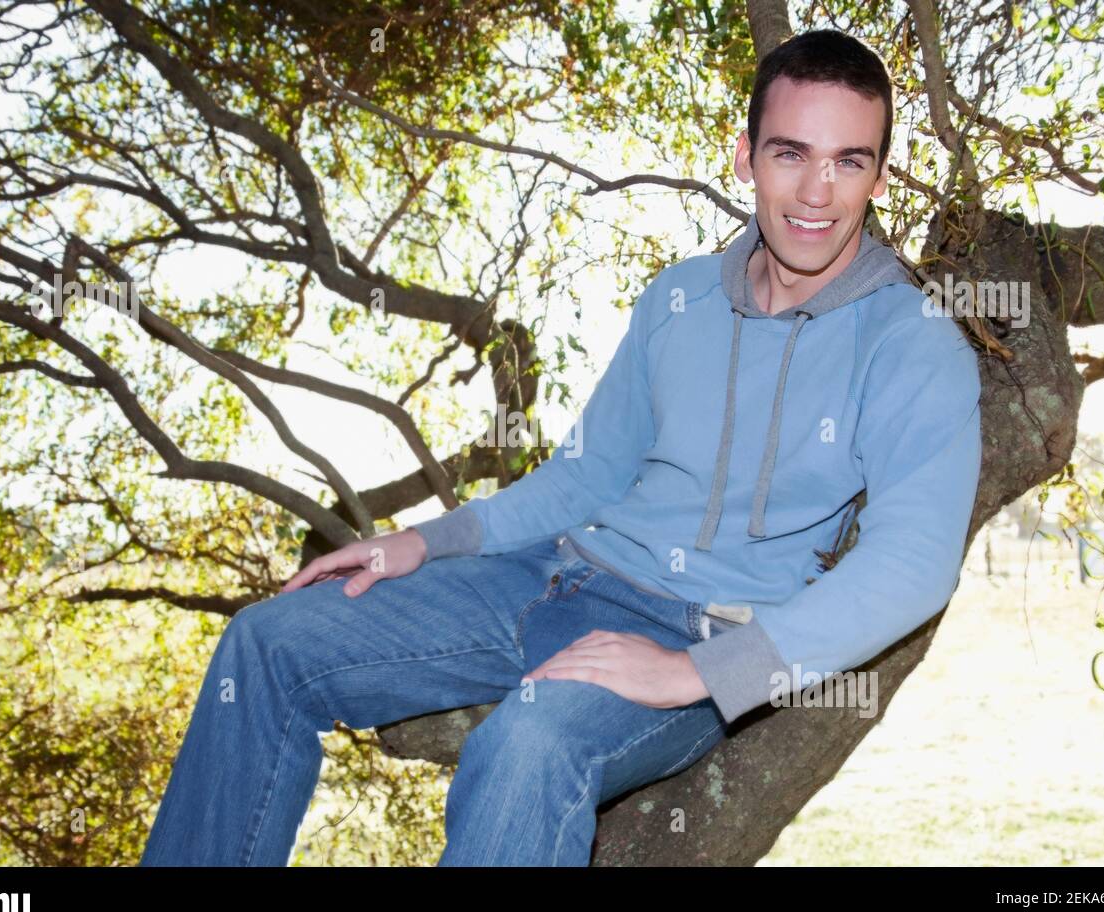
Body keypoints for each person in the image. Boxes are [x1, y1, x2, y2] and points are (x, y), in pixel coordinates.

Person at [139, 28, 982, 867]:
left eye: (849, 161)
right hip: (546, 573)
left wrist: (703, 674)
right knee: (267, 643)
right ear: (746, 157)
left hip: (693, 631)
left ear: (876, 176)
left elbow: (913, 563)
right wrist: (424, 541)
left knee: (528, 745)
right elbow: (589, 472)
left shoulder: (912, 342)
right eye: (791, 153)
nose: (817, 190)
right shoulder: (678, 299)